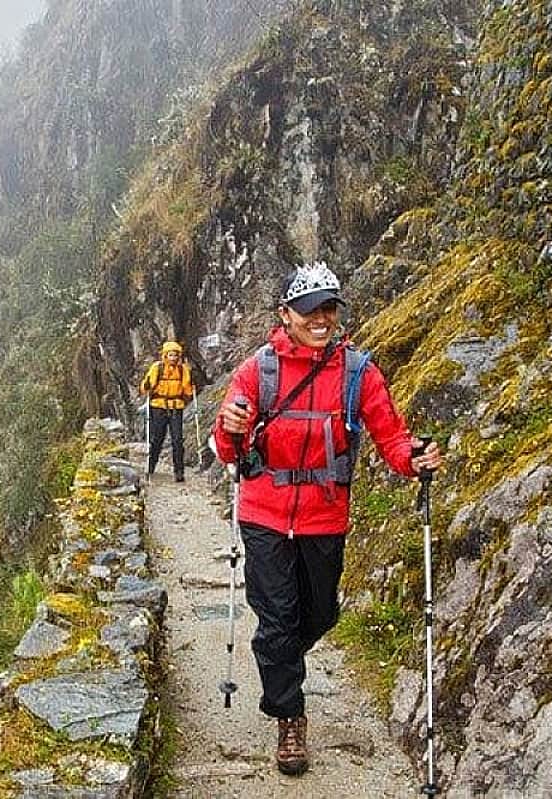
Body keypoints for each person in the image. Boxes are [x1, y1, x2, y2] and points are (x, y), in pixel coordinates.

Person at [214, 261, 442, 776]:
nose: (322, 318)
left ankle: (280, 658)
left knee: (318, 616)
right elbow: (228, 446)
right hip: (265, 515)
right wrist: (229, 429)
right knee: (277, 621)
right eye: (311, 309)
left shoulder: (359, 373)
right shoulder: (258, 371)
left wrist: (414, 459)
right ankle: (289, 717)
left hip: (323, 519)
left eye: (329, 308)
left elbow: (392, 437)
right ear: (286, 315)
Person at [140, 340, 196, 482]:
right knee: (157, 438)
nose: (173, 358)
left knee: (177, 439)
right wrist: (146, 386)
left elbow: (187, 391)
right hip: (158, 406)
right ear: (165, 355)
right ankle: (151, 466)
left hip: (176, 406)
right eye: (170, 355)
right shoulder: (156, 368)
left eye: (175, 355)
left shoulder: (183, 370)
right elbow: (146, 386)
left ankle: (179, 471)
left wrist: (191, 384)